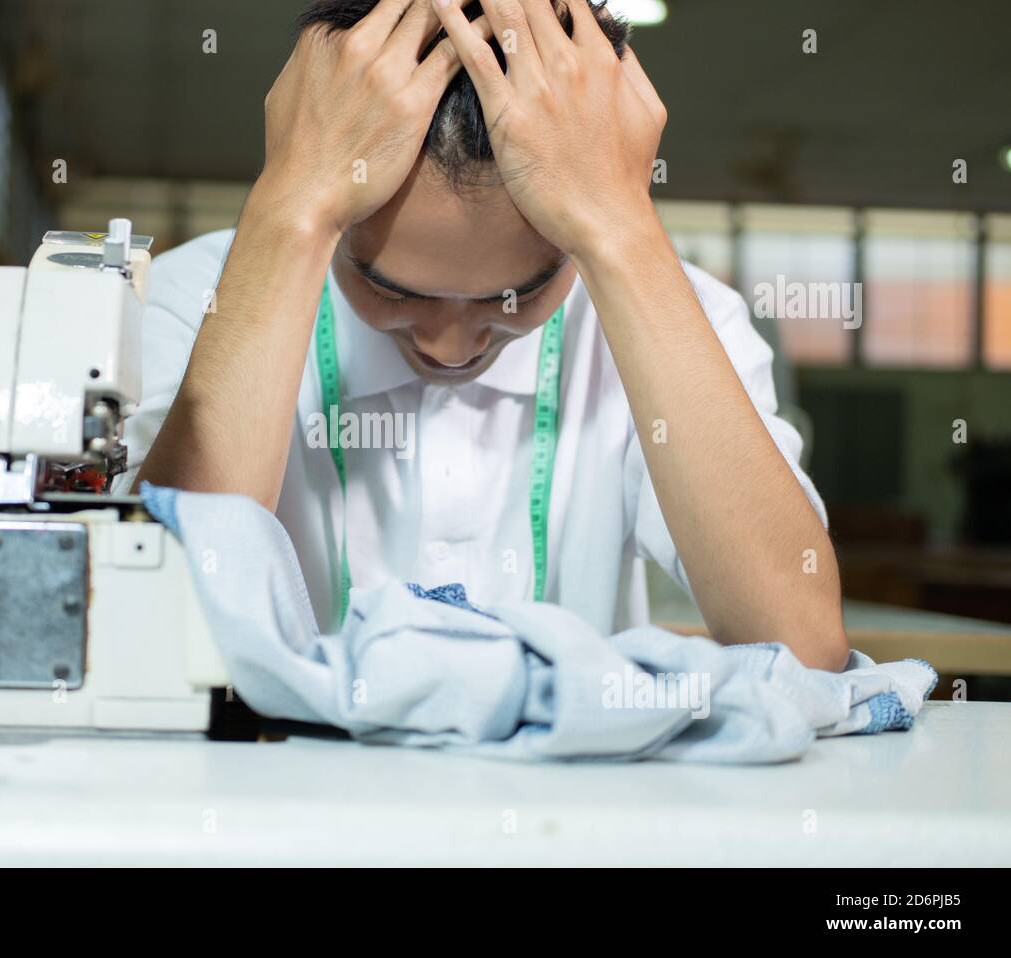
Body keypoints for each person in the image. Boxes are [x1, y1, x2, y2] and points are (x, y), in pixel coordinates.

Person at [121, 0, 850, 670]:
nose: (448, 344)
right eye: (391, 290)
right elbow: (152, 631)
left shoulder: (674, 314)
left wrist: (622, 229)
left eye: (521, 294)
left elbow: (799, 644)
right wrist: (290, 205)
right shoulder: (207, 298)